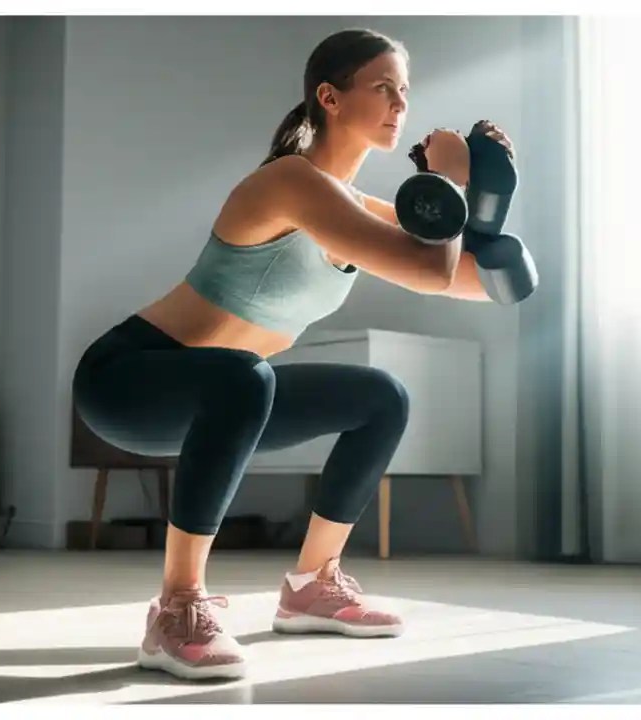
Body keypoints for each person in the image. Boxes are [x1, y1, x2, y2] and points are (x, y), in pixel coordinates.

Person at [71, 28, 516, 681]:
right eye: (383, 87)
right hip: (127, 382)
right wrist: (445, 175)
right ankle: (178, 608)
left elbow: (475, 280)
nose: (400, 104)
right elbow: (429, 272)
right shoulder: (288, 184)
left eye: (406, 92)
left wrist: (487, 196)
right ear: (329, 98)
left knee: (380, 398)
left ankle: (313, 584)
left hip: (232, 396)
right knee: (244, 376)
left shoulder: (356, 207)